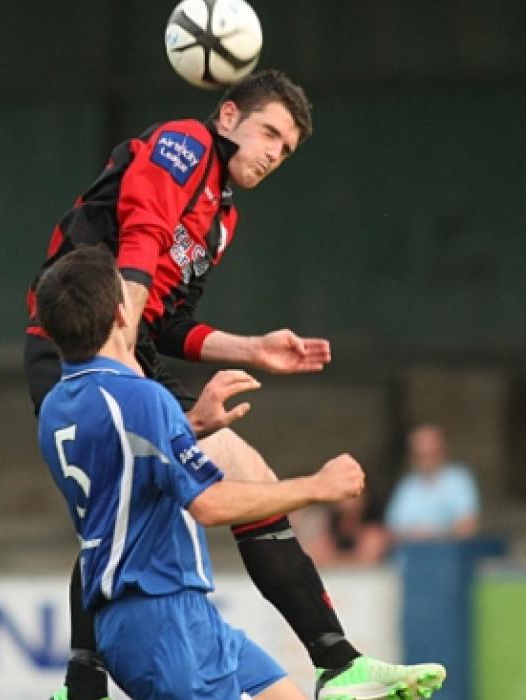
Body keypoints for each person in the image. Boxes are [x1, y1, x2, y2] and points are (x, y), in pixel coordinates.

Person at [24, 70, 442, 700]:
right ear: (227, 117)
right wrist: (125, 370)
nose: (274, 152)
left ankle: (334, 659)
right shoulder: (184, 144)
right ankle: (86, 680)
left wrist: (252, 348)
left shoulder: (221, 220)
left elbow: (168, 322)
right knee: (151, 495)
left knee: (226, 474)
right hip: (79, 344)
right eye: (269, 131)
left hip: (125, 344)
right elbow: (139, 241)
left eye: (287, 148)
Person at [34, 247, 444, 699]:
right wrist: (317, 487)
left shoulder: (57, 404)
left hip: (179, 616)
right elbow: (209, 505)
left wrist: (189, 428)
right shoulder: (142, 399)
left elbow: (121, 460)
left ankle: (342, 674)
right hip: (158, 619)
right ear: (120, 312)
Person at [385, 424, 479, 541]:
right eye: (420, 455)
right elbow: (391, 529)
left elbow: (468, 526)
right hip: (412, 552)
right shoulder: (407, 486)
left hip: (449, 552)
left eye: (430, 454)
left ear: (442, 450)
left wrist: (433, 534)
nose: (426, 461)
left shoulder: (459, 480)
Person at [296, 493, 390, 568]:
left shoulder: (373, 534)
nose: (349, 499)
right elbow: (316, 557)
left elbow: (369, 560)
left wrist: (332, 559)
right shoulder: (324, 529)